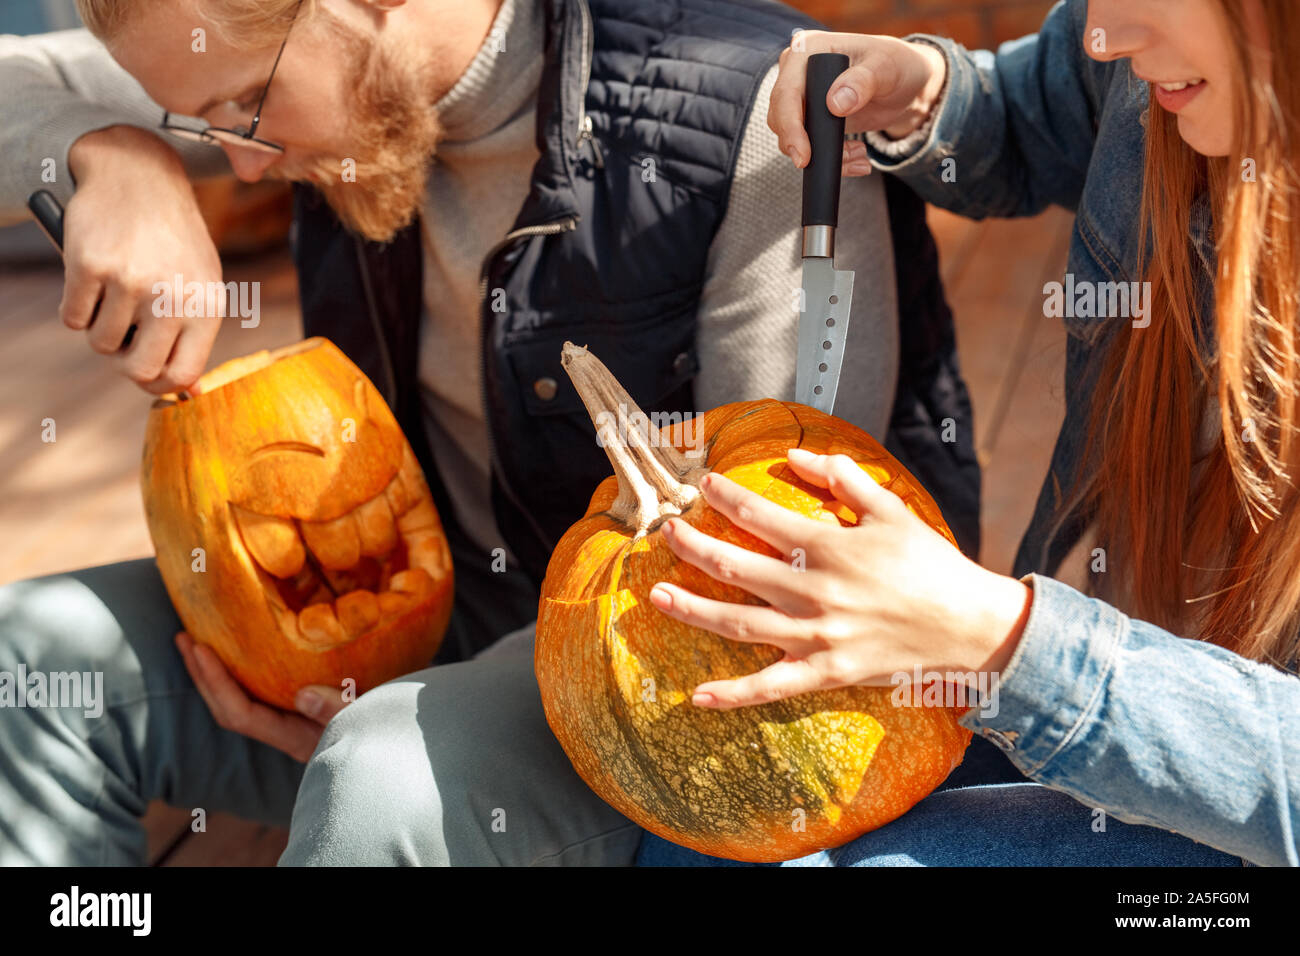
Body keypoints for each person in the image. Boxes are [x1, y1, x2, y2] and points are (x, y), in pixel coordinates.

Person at [0, 0, 978, 864]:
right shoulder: (280, 74)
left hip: (666, 695)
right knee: (30, 664)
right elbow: (18, 74)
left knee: (383, 778)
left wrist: (410, 710)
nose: (242, 163)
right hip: (417, 623)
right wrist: (116, 157)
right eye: (202, 124)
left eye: (247, 103)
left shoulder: (763, 121)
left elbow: (762, 595)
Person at [637, 0, 1300, 866]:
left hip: (1231, 814)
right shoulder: (1139, 54)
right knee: (708, 833)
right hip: (1060, 688)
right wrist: (926, 96)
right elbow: (1037, 108)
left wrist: (1000, 642)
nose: (1108, 30)